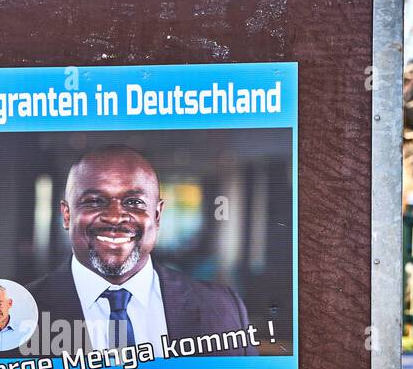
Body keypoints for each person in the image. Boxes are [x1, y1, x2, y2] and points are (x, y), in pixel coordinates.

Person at [24, 146, 256, 357]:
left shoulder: (223, 308)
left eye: (134, 202)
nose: (115, 217)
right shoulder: (14, 316)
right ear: (67, 214)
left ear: (156, 215)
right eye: (95, 201)